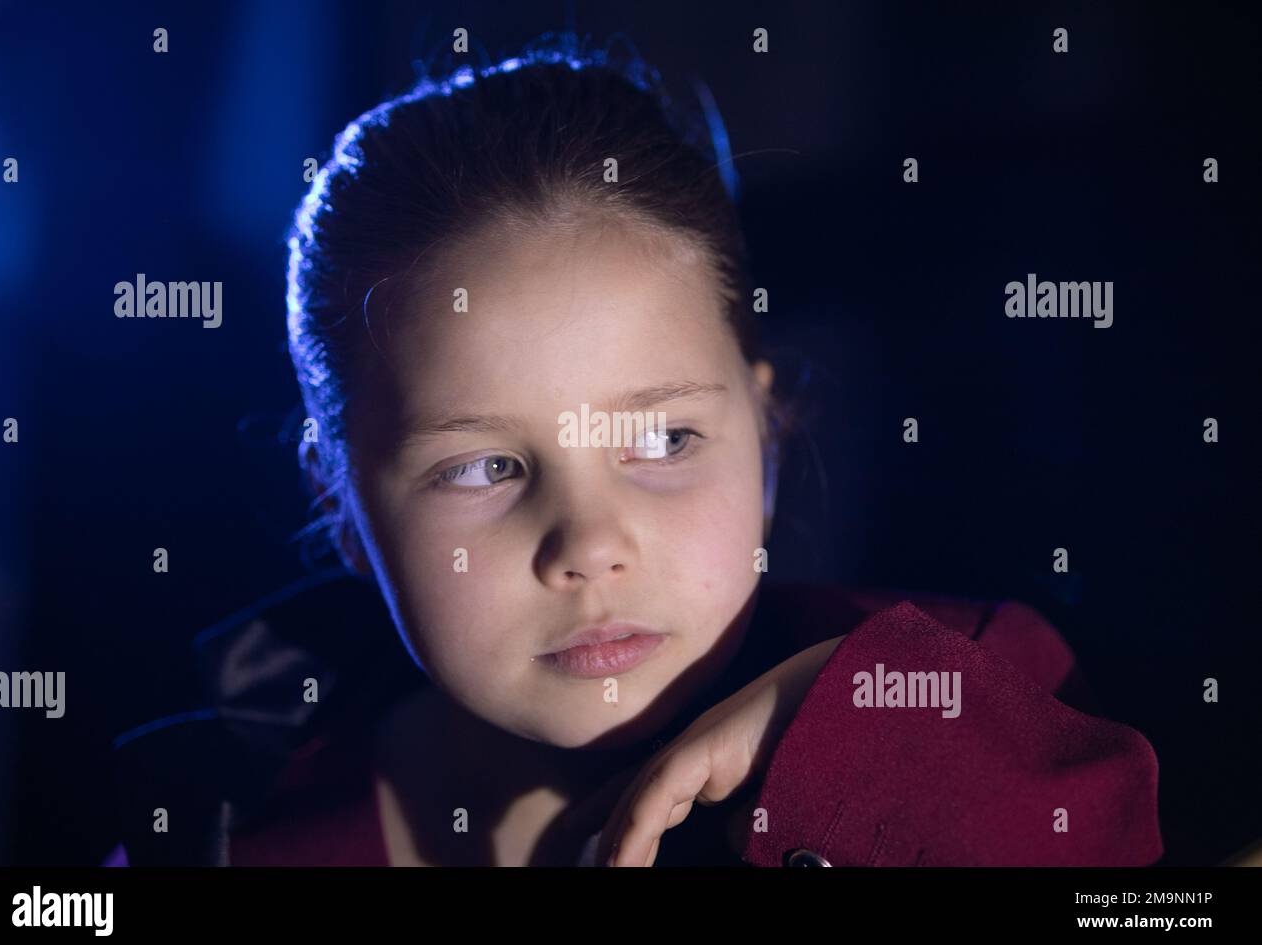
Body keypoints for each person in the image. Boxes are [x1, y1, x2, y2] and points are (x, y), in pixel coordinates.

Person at [109, 33, 1162, 867]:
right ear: (341, 506)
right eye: (482, 465)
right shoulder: (214, 832)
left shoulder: (969, 700)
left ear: (767, 443)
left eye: (661, 437)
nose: (590, 542)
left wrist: (842, 741)